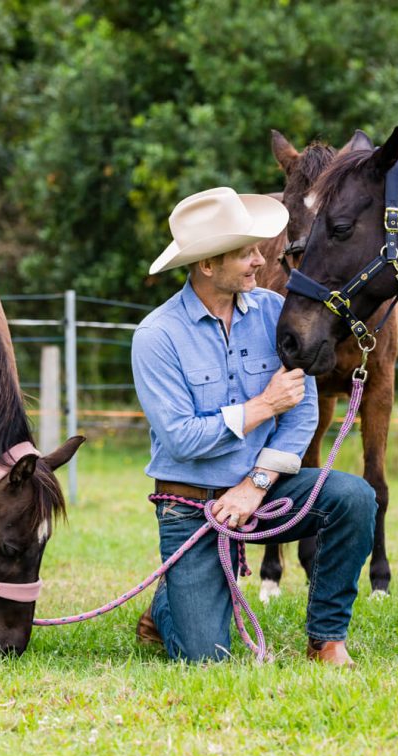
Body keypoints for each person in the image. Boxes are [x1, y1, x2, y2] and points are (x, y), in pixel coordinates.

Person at [131, 186, 376, 666]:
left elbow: (302, 410)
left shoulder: (272, 312)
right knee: (206, 659)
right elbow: (181, 437)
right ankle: (168, 606)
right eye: (244, 253)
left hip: (266, 491)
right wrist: (261, 406)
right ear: (207, 266)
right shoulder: (156, 337)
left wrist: (255, 484)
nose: (259, 261)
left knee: (353, 498)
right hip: (193, 507)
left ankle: (326, 638)